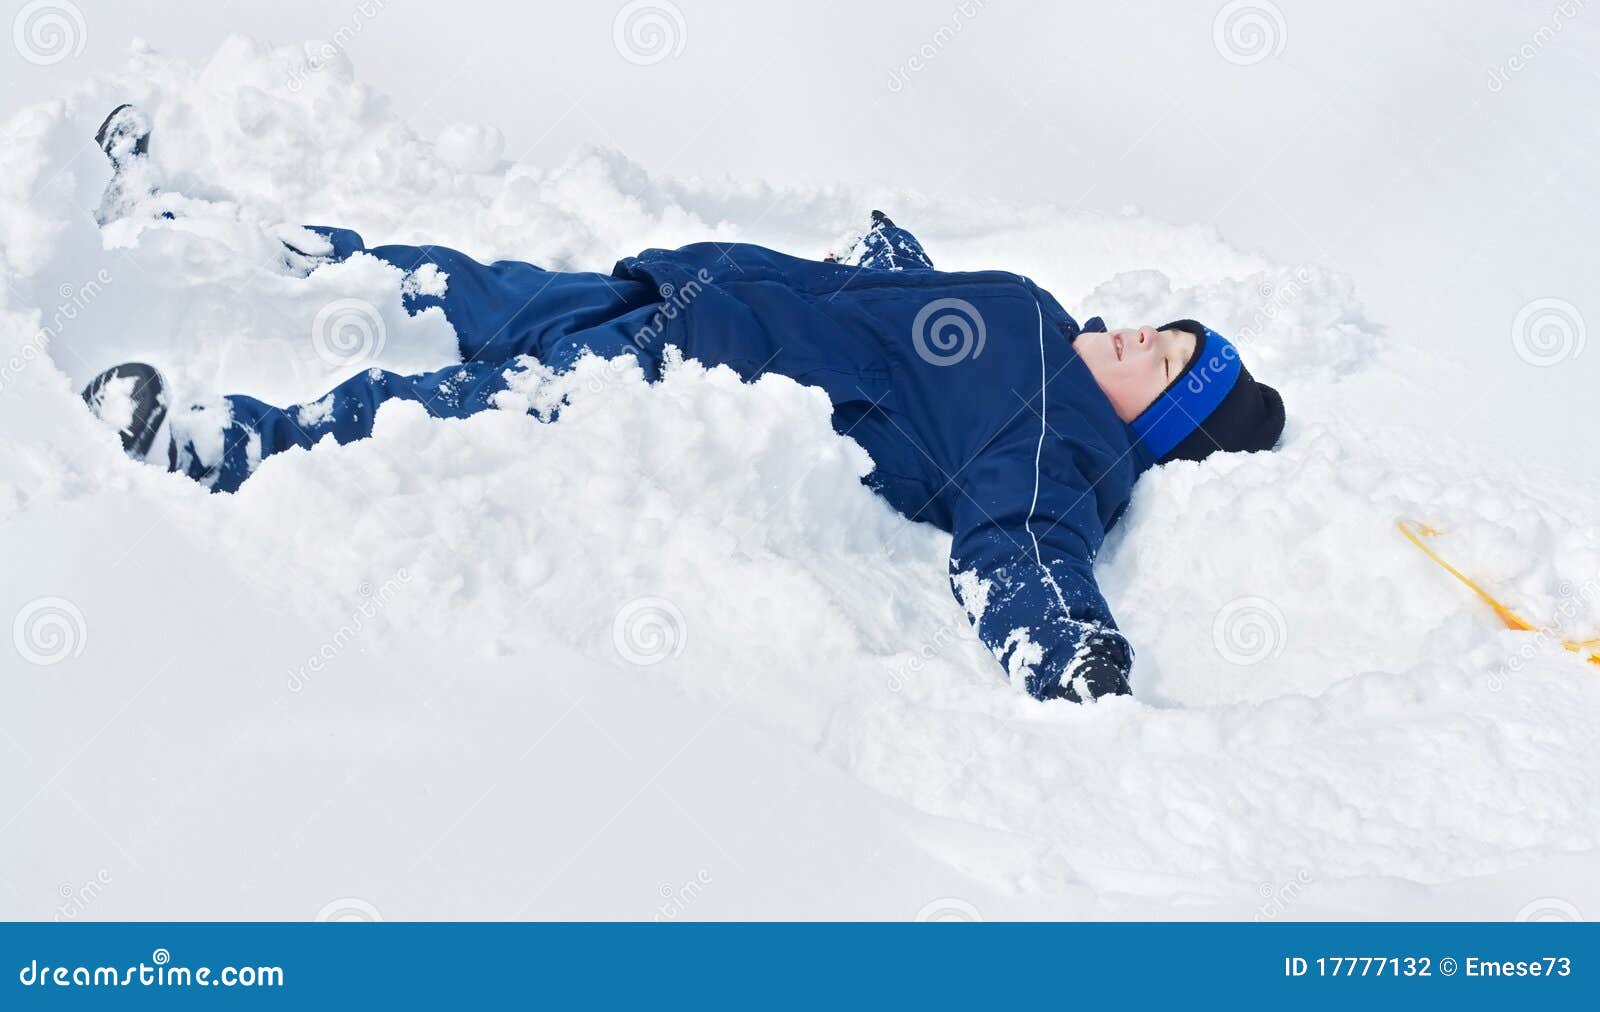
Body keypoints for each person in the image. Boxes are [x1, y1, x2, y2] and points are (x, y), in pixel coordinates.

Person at [81, 106, 1285, 705]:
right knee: (436, 274)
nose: (1142, 335)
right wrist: (888, 257)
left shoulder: (1059, 440)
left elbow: (1019, 543)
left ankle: (221, 442)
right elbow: (915, 305)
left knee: (446, 406)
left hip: (694, 378)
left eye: (1166, 362)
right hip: (675, 294)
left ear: (1155, 422)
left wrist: (1065, 649)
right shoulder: (1032, 308)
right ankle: (188, 229)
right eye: (1164, 326)